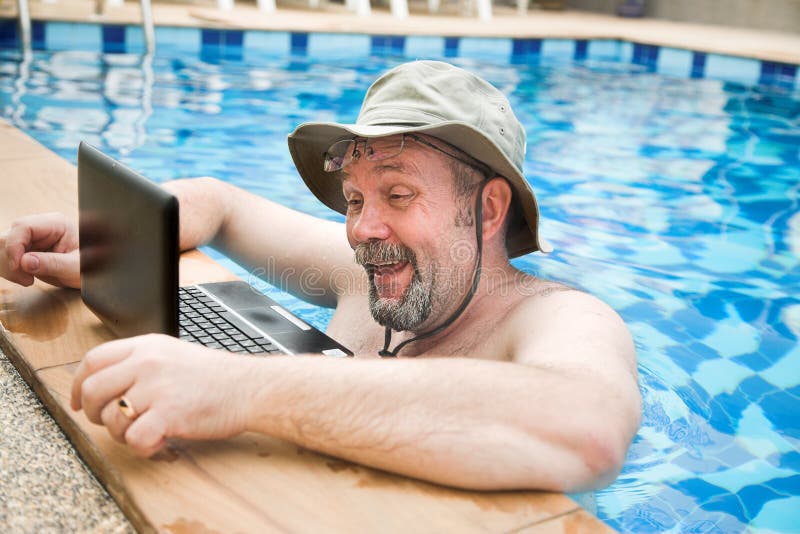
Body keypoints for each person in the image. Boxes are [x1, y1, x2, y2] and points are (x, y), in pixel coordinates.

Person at [0, 61, 640, 492]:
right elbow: (221, 203)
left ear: (488, 208)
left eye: (397, 194)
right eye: (355, 200)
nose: (362, 230)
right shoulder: (366, 276)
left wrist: (242, 388)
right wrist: (112, 240)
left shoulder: (558, 318)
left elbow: (587, 427)